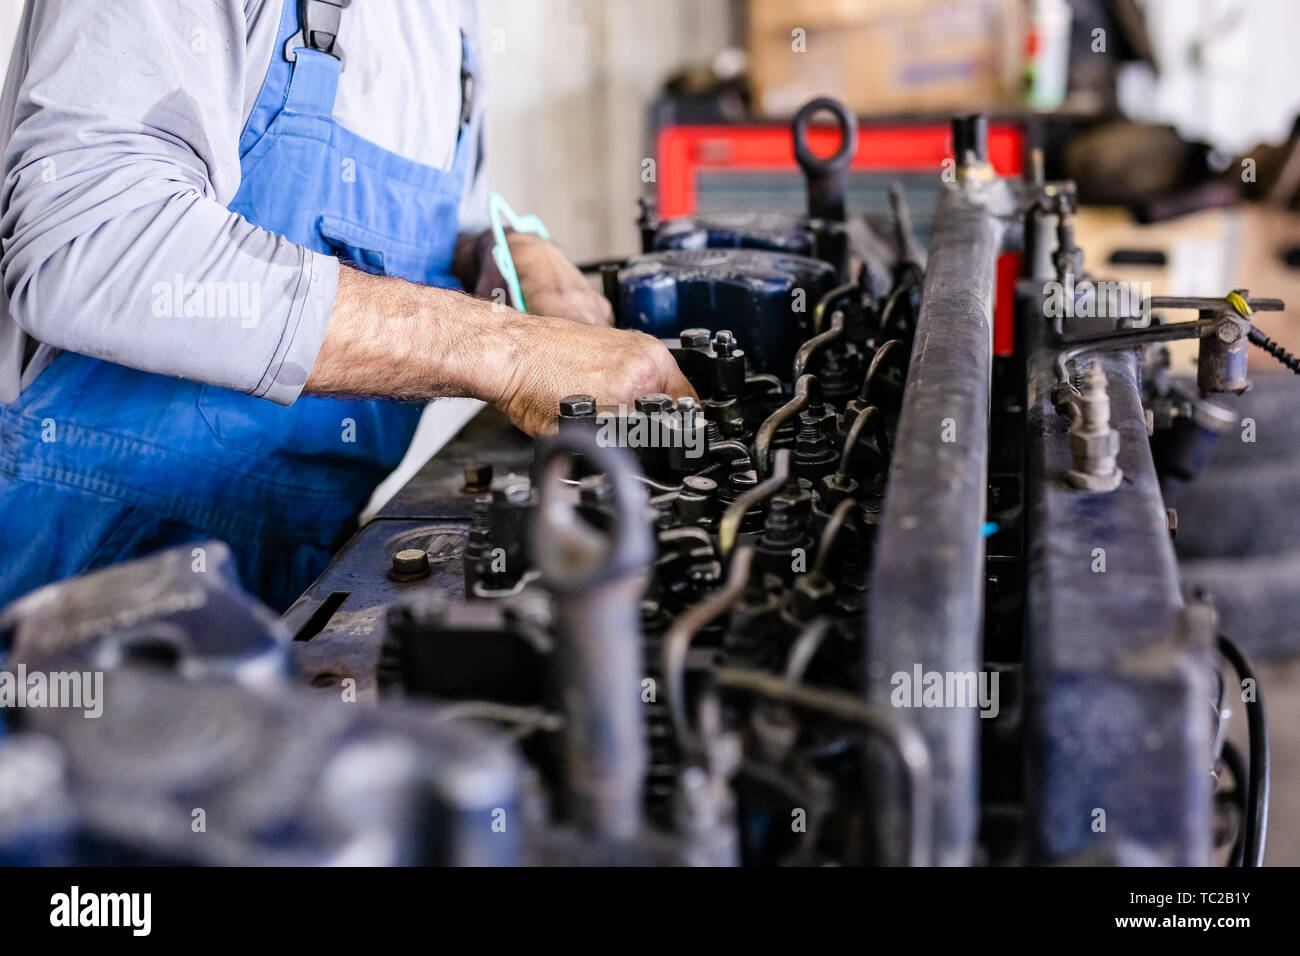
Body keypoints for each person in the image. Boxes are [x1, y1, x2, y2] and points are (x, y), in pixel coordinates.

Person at [0, 0, 694, 610]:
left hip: (307, 568)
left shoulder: (447, 17)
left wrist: (509, 250)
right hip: (85, 581)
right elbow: (91, 242)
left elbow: (433, 228)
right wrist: (508, 350)